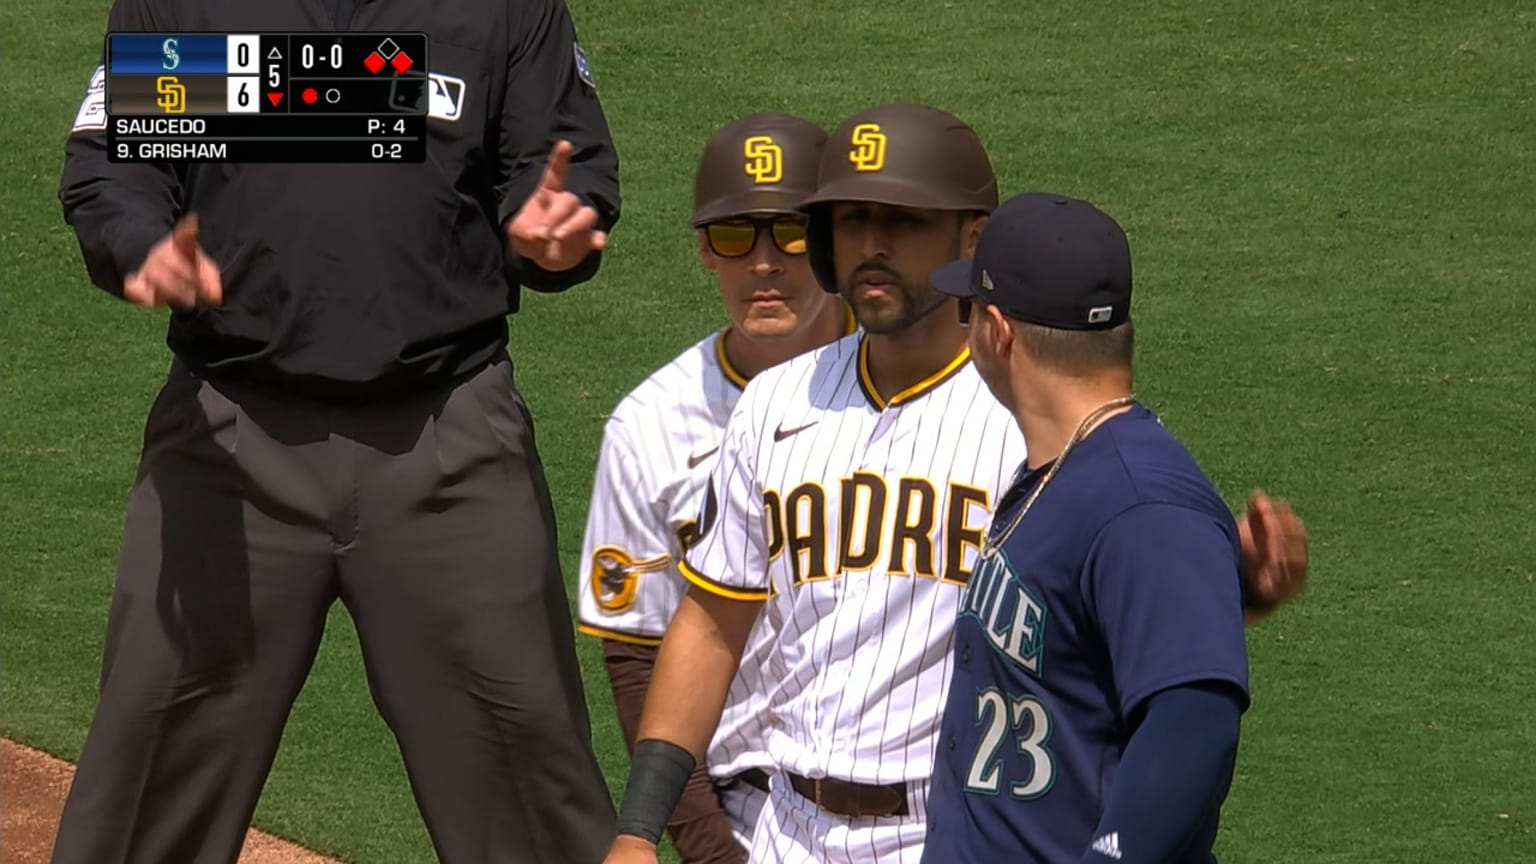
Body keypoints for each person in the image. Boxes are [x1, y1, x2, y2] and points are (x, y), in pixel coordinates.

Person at [599, 103, 1308, 864]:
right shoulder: (773, 405)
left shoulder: (1034, 417)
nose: (871, 246)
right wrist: (639, 827)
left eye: (902, 221)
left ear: (974, 239)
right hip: (789, 828)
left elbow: (1117, 599)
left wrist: (1223, 590)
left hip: (950, 830)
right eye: (851, 220)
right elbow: (710, 623)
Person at [53, 1, 620, 862]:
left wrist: (557, 232)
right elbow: (116, 165)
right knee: (148, 781)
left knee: (530, 779)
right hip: (227, 446)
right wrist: (142, 244)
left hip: (450, 442)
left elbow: (563, 172)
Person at [920, 192, 1253, 863]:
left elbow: (1196, 719)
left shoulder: (1140, 502)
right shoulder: (1070, 474)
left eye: (966, 309)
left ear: (997, 330)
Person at [576, 112, 854, 863]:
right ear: (704, 248)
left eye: (789, 232)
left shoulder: (919, 388)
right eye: (735, 235)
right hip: (750, 813)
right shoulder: (648, 427)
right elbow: (639, 655)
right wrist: (709, 851)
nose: (763, 262)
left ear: (829, 239)